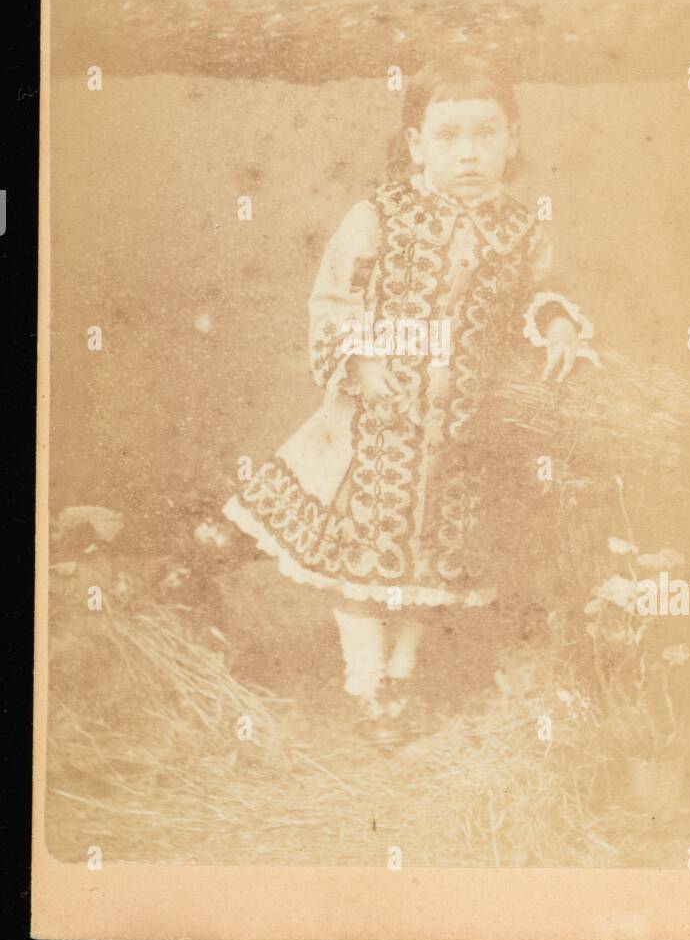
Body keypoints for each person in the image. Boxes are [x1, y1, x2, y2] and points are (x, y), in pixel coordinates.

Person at [222, 53, 599, 735]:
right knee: (363, 559)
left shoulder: (520, 229)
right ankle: (366, 686)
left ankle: (401, 676)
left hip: (460, 434)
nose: (468, 154)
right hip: (379, 428)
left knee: (437, 564)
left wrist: (559, 323)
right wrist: (361, 359)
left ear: (512, 139)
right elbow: (333, 299)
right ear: (416, 144)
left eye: (485, 134)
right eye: (448, 136)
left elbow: (546, 292)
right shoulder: (380, 215)